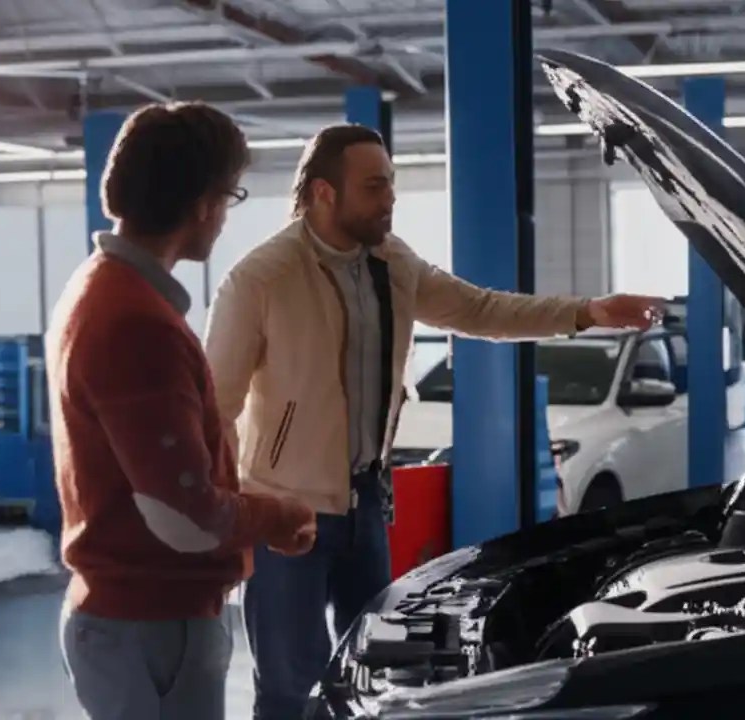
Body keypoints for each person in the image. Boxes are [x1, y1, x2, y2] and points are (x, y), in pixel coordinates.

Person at [203, 123, 665, 718]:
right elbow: (216, 409)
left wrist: (587, 312)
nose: (389, 199)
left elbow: (480, 309)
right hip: (286, 512)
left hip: (366, 504)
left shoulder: (391, 262)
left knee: (373, 675)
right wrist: (234, 522)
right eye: (374, 187)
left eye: (391, 184)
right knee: (291, 686)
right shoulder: (261, 278)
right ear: (323, 193)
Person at [46, 101, 318, 720]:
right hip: (152, 626)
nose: (224, 215)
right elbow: (184, 517)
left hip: (128, 619)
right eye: (230, 196)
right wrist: (276, 513)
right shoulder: (138, 322)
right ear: (202, 204)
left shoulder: (96, 288)